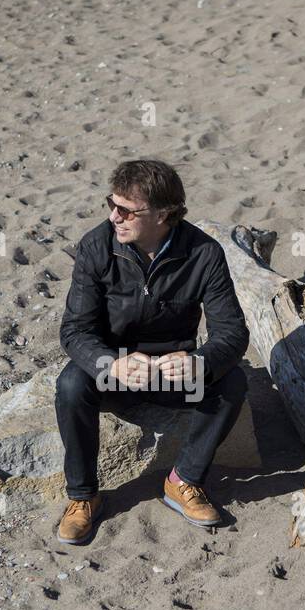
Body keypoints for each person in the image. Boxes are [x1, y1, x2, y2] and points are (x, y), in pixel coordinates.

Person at [54, 159, 250, 544]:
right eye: (111, 204)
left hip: (174, 375)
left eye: (127, 210)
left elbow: (232, 334)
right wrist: (111, 363)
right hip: (115, 373)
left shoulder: (204, 254)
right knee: (71, 386)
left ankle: (183, 481)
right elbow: (74, 331)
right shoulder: (96, 246)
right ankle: (83, 496)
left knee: (232, 382)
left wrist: (199, 362)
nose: (115, 216)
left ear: (164, 214)